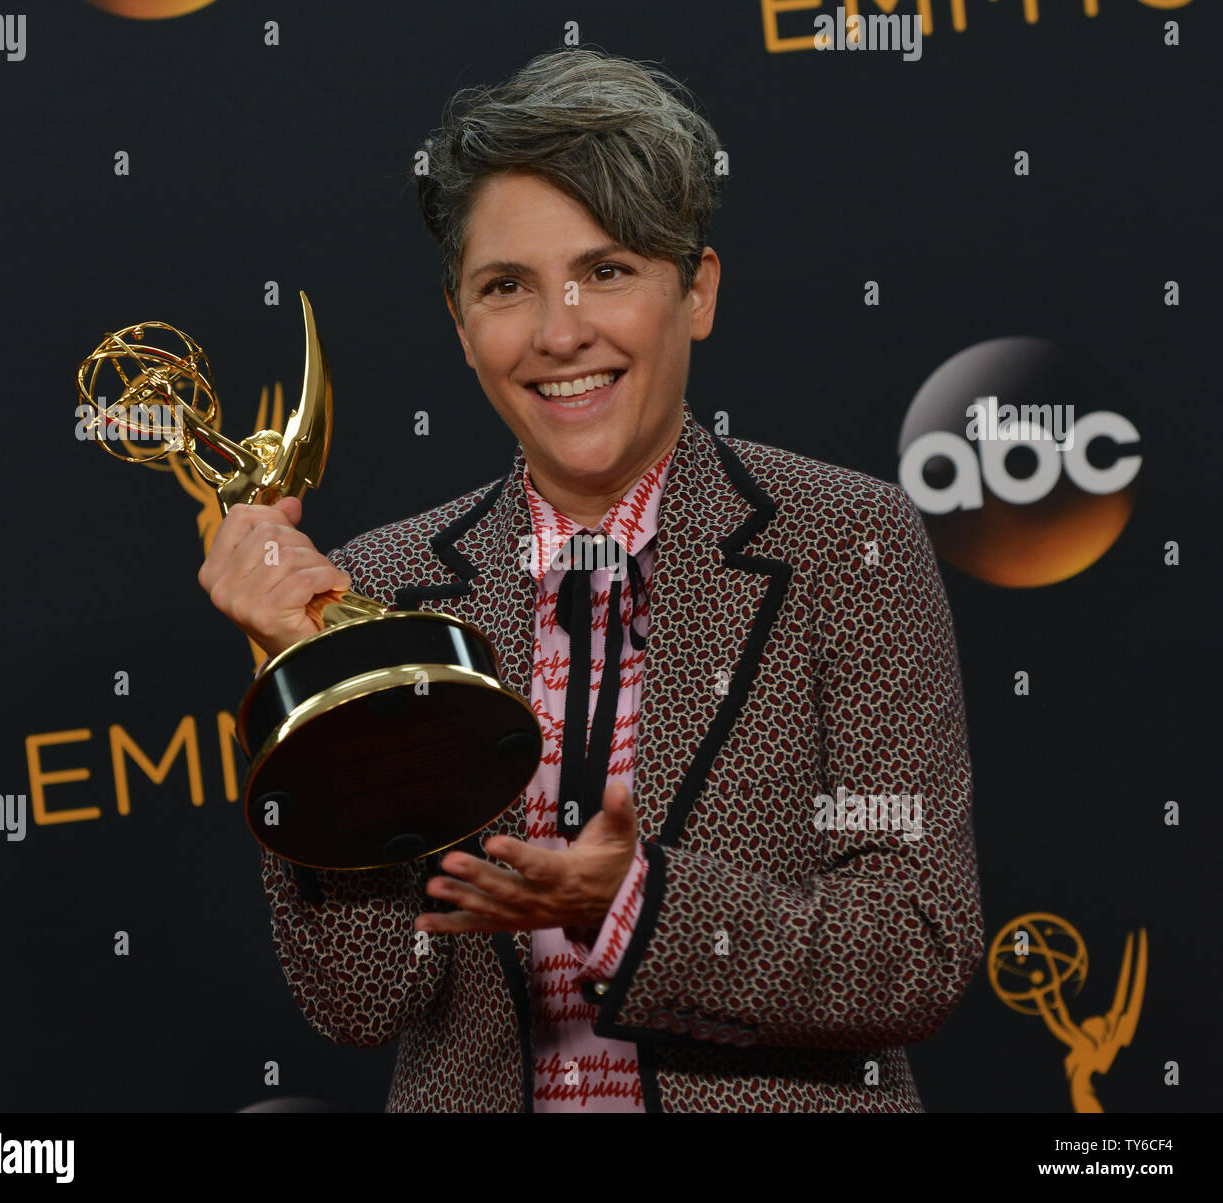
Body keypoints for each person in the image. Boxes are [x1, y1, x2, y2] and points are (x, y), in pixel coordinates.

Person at [198, 46, 984, 1113]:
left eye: (606, 271)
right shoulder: (381, 587)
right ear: (460, 328)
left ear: (695, 291)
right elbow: (363, 1002)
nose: (560, 331)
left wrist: (634, 903)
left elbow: (913, 949)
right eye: (507, 286)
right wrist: (319, 686)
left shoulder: (845, 543)